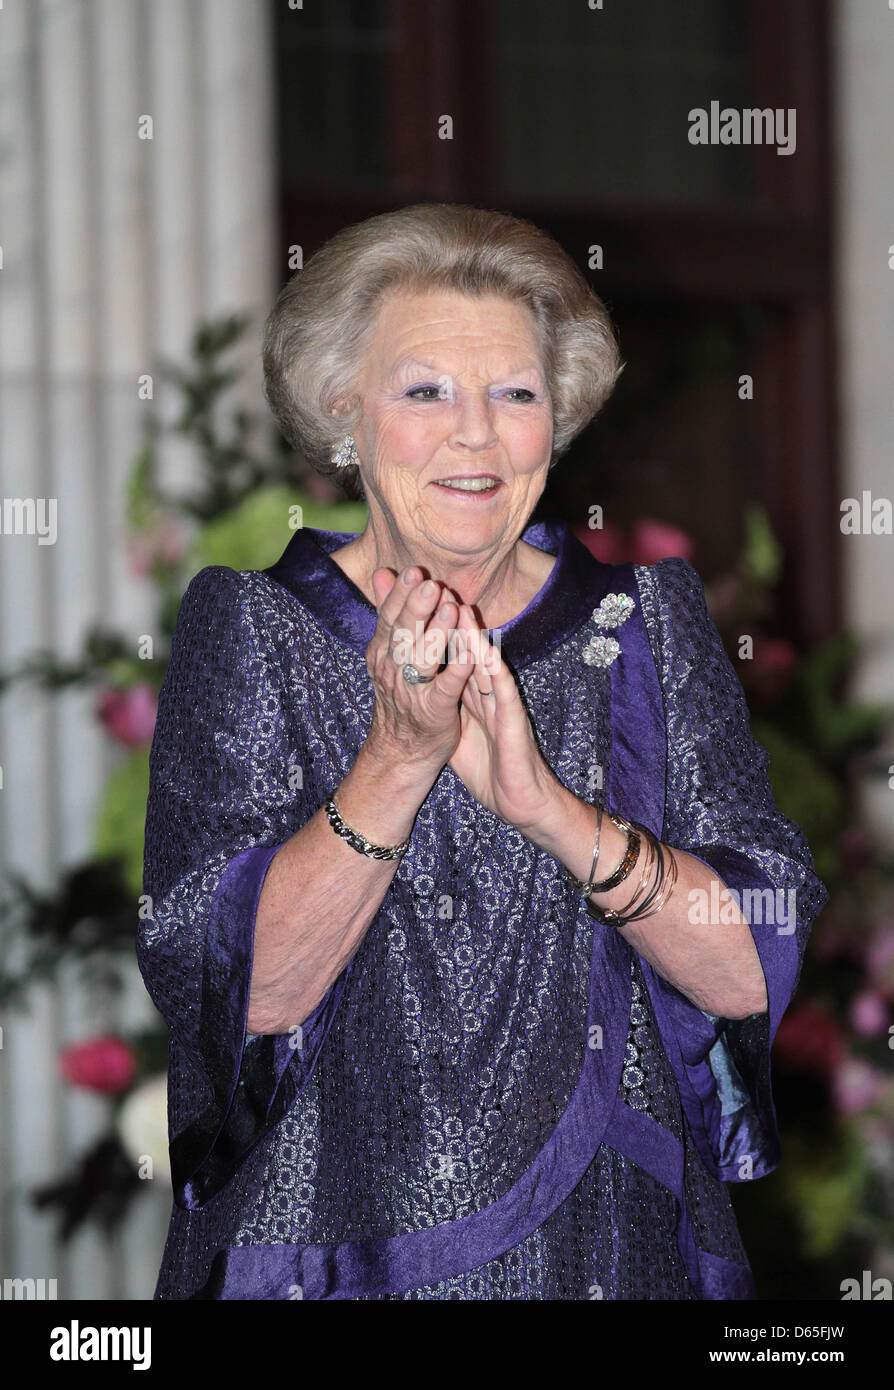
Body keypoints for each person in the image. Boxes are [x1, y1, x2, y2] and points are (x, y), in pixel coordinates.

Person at [137, 203, 828, 1300]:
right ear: (342, 414)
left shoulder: (642, 621)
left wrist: (554, 811)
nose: (475, 434)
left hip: (607, 1244)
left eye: (514, 394)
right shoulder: (254, 627)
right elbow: (243, 991)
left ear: (555, 426)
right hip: (324, 1250)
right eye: (425, 392)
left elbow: (750, 967)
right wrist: (400, 758)